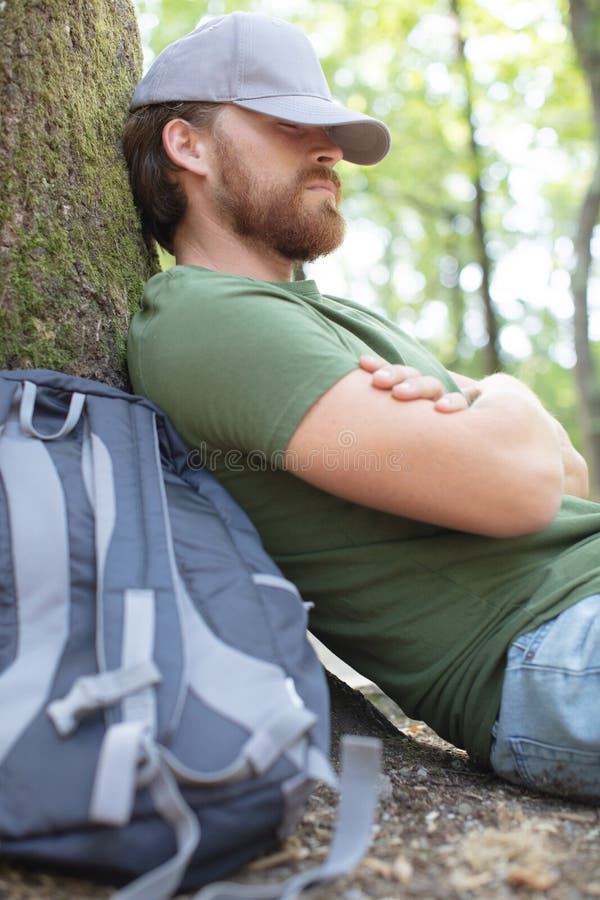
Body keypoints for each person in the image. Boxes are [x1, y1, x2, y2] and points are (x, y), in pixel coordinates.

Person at [124, 11, 599, 801]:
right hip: (549, 655)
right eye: (289, 123)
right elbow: (524, 487)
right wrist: (504, 395)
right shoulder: (204, 321)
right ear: (188, 145)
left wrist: (505, 431)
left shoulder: (330, 318)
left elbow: (570, 476)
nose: (329, 150)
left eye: (331, 131)